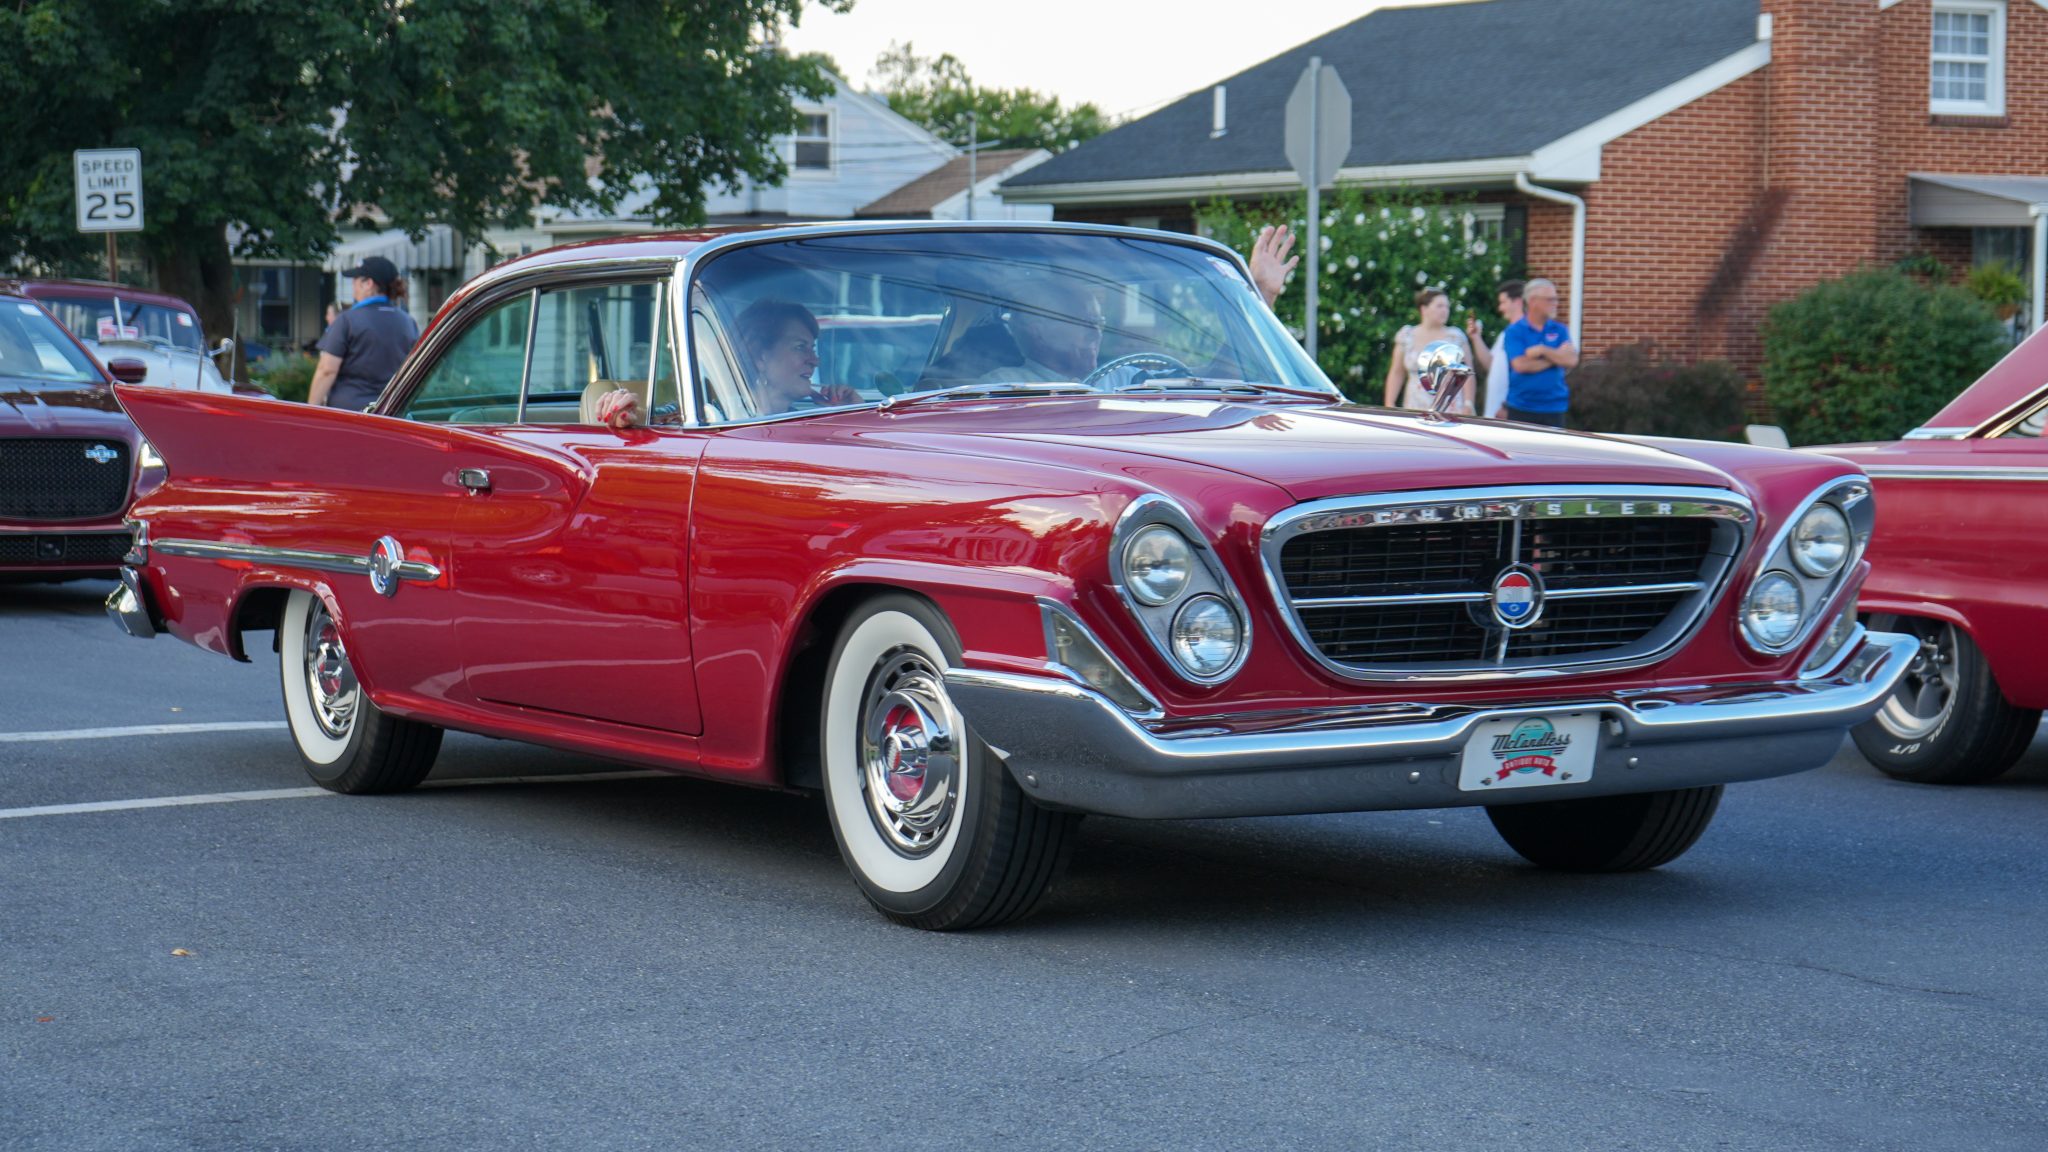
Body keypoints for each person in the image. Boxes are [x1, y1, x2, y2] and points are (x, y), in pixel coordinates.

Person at [597, 298, 856, 429]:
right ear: (759, 357)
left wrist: (851, 414)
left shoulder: (810, 417)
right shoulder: (712, 414)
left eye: (812, 348)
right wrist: (628, 411)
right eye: (800, 347)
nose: (815, 360)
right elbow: (660, 418)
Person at [306, 256, 417, 410]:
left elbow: (327, 370)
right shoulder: (408, 322)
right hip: (392, 411)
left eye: (355, 280)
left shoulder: (347, 321)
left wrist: (311, 410)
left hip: (350, 413)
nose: (353, 286)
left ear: (368, 284)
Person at [982, 278, 1104, 382]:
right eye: (1083, 322)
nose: (1096, 333)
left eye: (1098, 322)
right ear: (1039, 332)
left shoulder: (1117, 377)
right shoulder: (1004, 387)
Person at [1383, 287, 1474, 413]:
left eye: (1447, 307)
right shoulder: (1407, 335)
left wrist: (1468, 404)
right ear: (1424, 309)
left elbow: (1467, 373)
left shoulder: (1456, 337)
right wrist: (1389, 403)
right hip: (1414, 406)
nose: (1445, 310)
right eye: (1439, 306)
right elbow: (1397, 372)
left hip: (1450, 408)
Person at [1501, 277, 1577, 427]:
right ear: (1533, 301)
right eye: (1550, 300)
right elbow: (1521, 365)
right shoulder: (1515, 331)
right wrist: (1556, 357)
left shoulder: (1560, 329)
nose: (1555, 304)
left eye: (1556, 299)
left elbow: (1571, 360)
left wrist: (1543, 350)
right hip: (1522, 408)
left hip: (1554, 408)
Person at [1464, 279, 1524, 420]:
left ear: (1518, 301)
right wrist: (1476, 337)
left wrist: (1507, 406)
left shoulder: (1526, 334)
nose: (1500, 308)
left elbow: (1524, 374)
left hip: (1512, 414)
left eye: (1503, 302)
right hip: (1494, 414)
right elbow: (1491, 364)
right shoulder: (1506, 334)